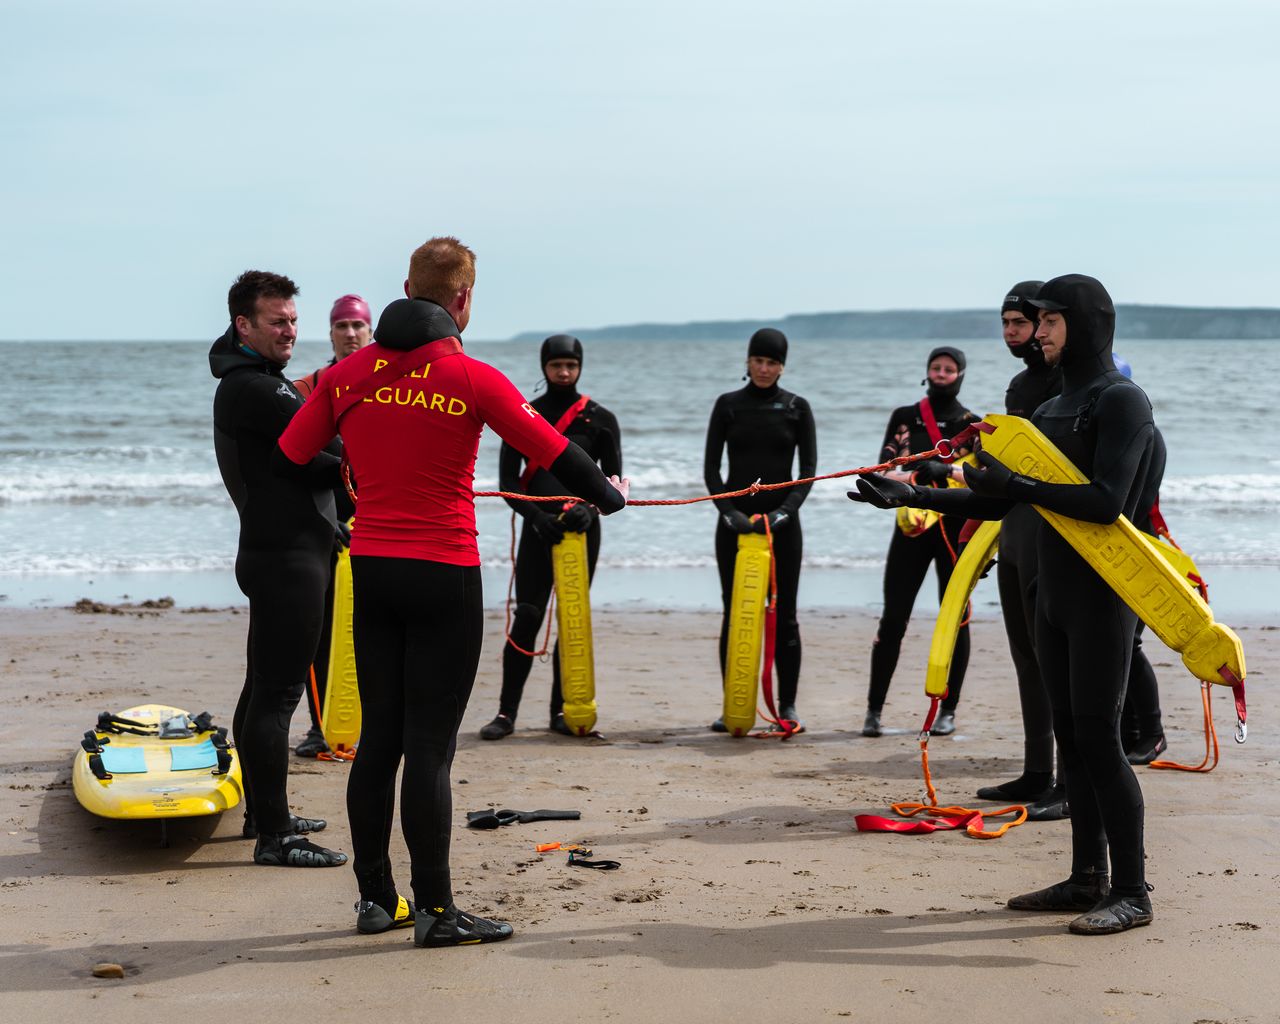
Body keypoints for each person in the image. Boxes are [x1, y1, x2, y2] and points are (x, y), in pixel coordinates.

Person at [276, 237, 628, 948]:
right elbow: (568, 463)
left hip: (373, 573)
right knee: (430, 751)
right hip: (443, 575)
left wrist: (362, 463)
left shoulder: (345, 376)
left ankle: (377, 901)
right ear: (464, 298)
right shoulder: (473, 377)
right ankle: (435, 911)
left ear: (406, 287)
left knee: (378, 744)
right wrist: (612, 498)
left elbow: (290, 452)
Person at [850, 274, 1158, 935]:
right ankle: (1084, 880)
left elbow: (1106, 502)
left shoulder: (1121, 401)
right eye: (1036, 320)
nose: (1038, 331)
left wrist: (1018, 480)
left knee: (1100, 740)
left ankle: (1131, 891)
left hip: (1103, 595)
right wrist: (912, 497)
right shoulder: (1049, 406)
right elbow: (1001, 502)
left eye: (1051, 321)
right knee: (1071, 740)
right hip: (1051, 588)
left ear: (1087, 323)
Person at [210, 270, 348, 868]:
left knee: (260, 689)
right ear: (244, 324)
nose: (290, 330)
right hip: (285, 558)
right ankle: (275, 838)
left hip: (285, 550)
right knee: (277, 695)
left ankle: (266, 814)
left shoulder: (258, 381)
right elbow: (334, 453)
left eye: (294, 319)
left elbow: (298, 465)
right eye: (277, 321)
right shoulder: (257, 389)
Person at [479, 335, 623, 740]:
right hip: (537, 530)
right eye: (556, 365)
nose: (564, 372)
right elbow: (508, 482)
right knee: (527, 615)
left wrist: (589, 509)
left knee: (571, 620)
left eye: (571, 365)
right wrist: (537, 517)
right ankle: (506, 714)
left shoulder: (601, 418)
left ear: (580, 367)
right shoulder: (524, 413)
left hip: (582, 531)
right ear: (544, 366)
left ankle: (562, 711)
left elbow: (613, 484)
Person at [974, 282, 1064, 809]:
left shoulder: (1074, 384)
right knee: (1025, 656)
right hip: (1014, 529)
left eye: (1021, 323)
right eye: (1004, 324)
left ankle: (1066, 784)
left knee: (1054, 659)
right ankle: (1037, 771)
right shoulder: (1018, 386)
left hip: (1052, 533)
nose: (1011, 333)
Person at [860, 346, 978, 739]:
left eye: (949, 369)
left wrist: (944, 469)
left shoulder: (973, 424)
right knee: (894, 617)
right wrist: (914, 477)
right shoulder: (905, 417)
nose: (941, 374)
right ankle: (873, 711)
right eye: (935, 368)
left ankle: (949, 709)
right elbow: (882, 471)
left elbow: (983, 479)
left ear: (960, 374)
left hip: (955, 530)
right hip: (911, 528)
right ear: (926, 372)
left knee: (955, 617)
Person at [704, 328, 817, 730]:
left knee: (784, 615)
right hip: (734, 526)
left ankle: (787, 706)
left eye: (772, 362)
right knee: (735, 614)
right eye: (758, 361)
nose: (765, 369)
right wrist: (728, 512)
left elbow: (807, 474)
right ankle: (733, 704)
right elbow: (711, 471)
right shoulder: (727, 405)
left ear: (783, 365)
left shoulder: (797, 408)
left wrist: (784, 512)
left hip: (783, 527)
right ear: (747, 361)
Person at [292, 294, 374, 759]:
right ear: (330, 334)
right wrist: (325, 522)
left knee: (373, 628)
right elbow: (292, 462)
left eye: (356, 326)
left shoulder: (389, 384)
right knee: (319, 630)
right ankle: (320, 726)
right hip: (325, 526)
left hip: (377, 523)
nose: (349, 334)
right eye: (341, 326)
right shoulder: (308, 388)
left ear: (370, 332)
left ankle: (369, 722)